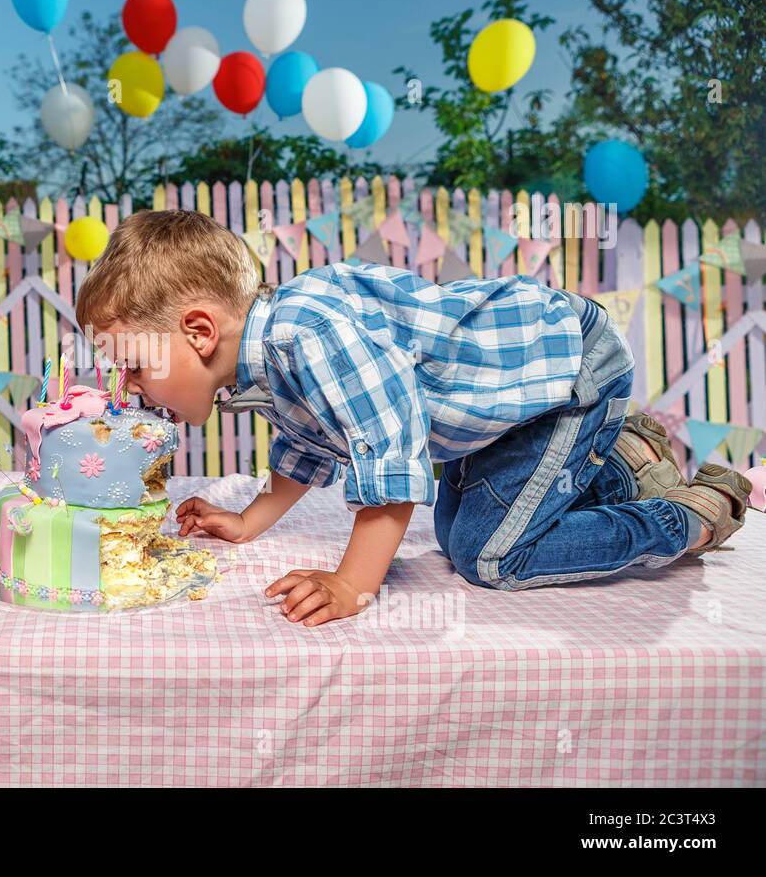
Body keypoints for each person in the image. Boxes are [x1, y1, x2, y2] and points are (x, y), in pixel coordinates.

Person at [74, 209, 752, 626]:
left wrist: (352, 584)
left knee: (489, 555)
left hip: (563, 373)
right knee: (458, 532)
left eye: (133, 363)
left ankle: (684, 516)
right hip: (503, 414)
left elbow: (391, 452)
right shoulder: (269, 358)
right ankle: (623, 459)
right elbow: (305, 444)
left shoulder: (310, 333)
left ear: (198, 330)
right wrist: (251, 520)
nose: (127, 386)